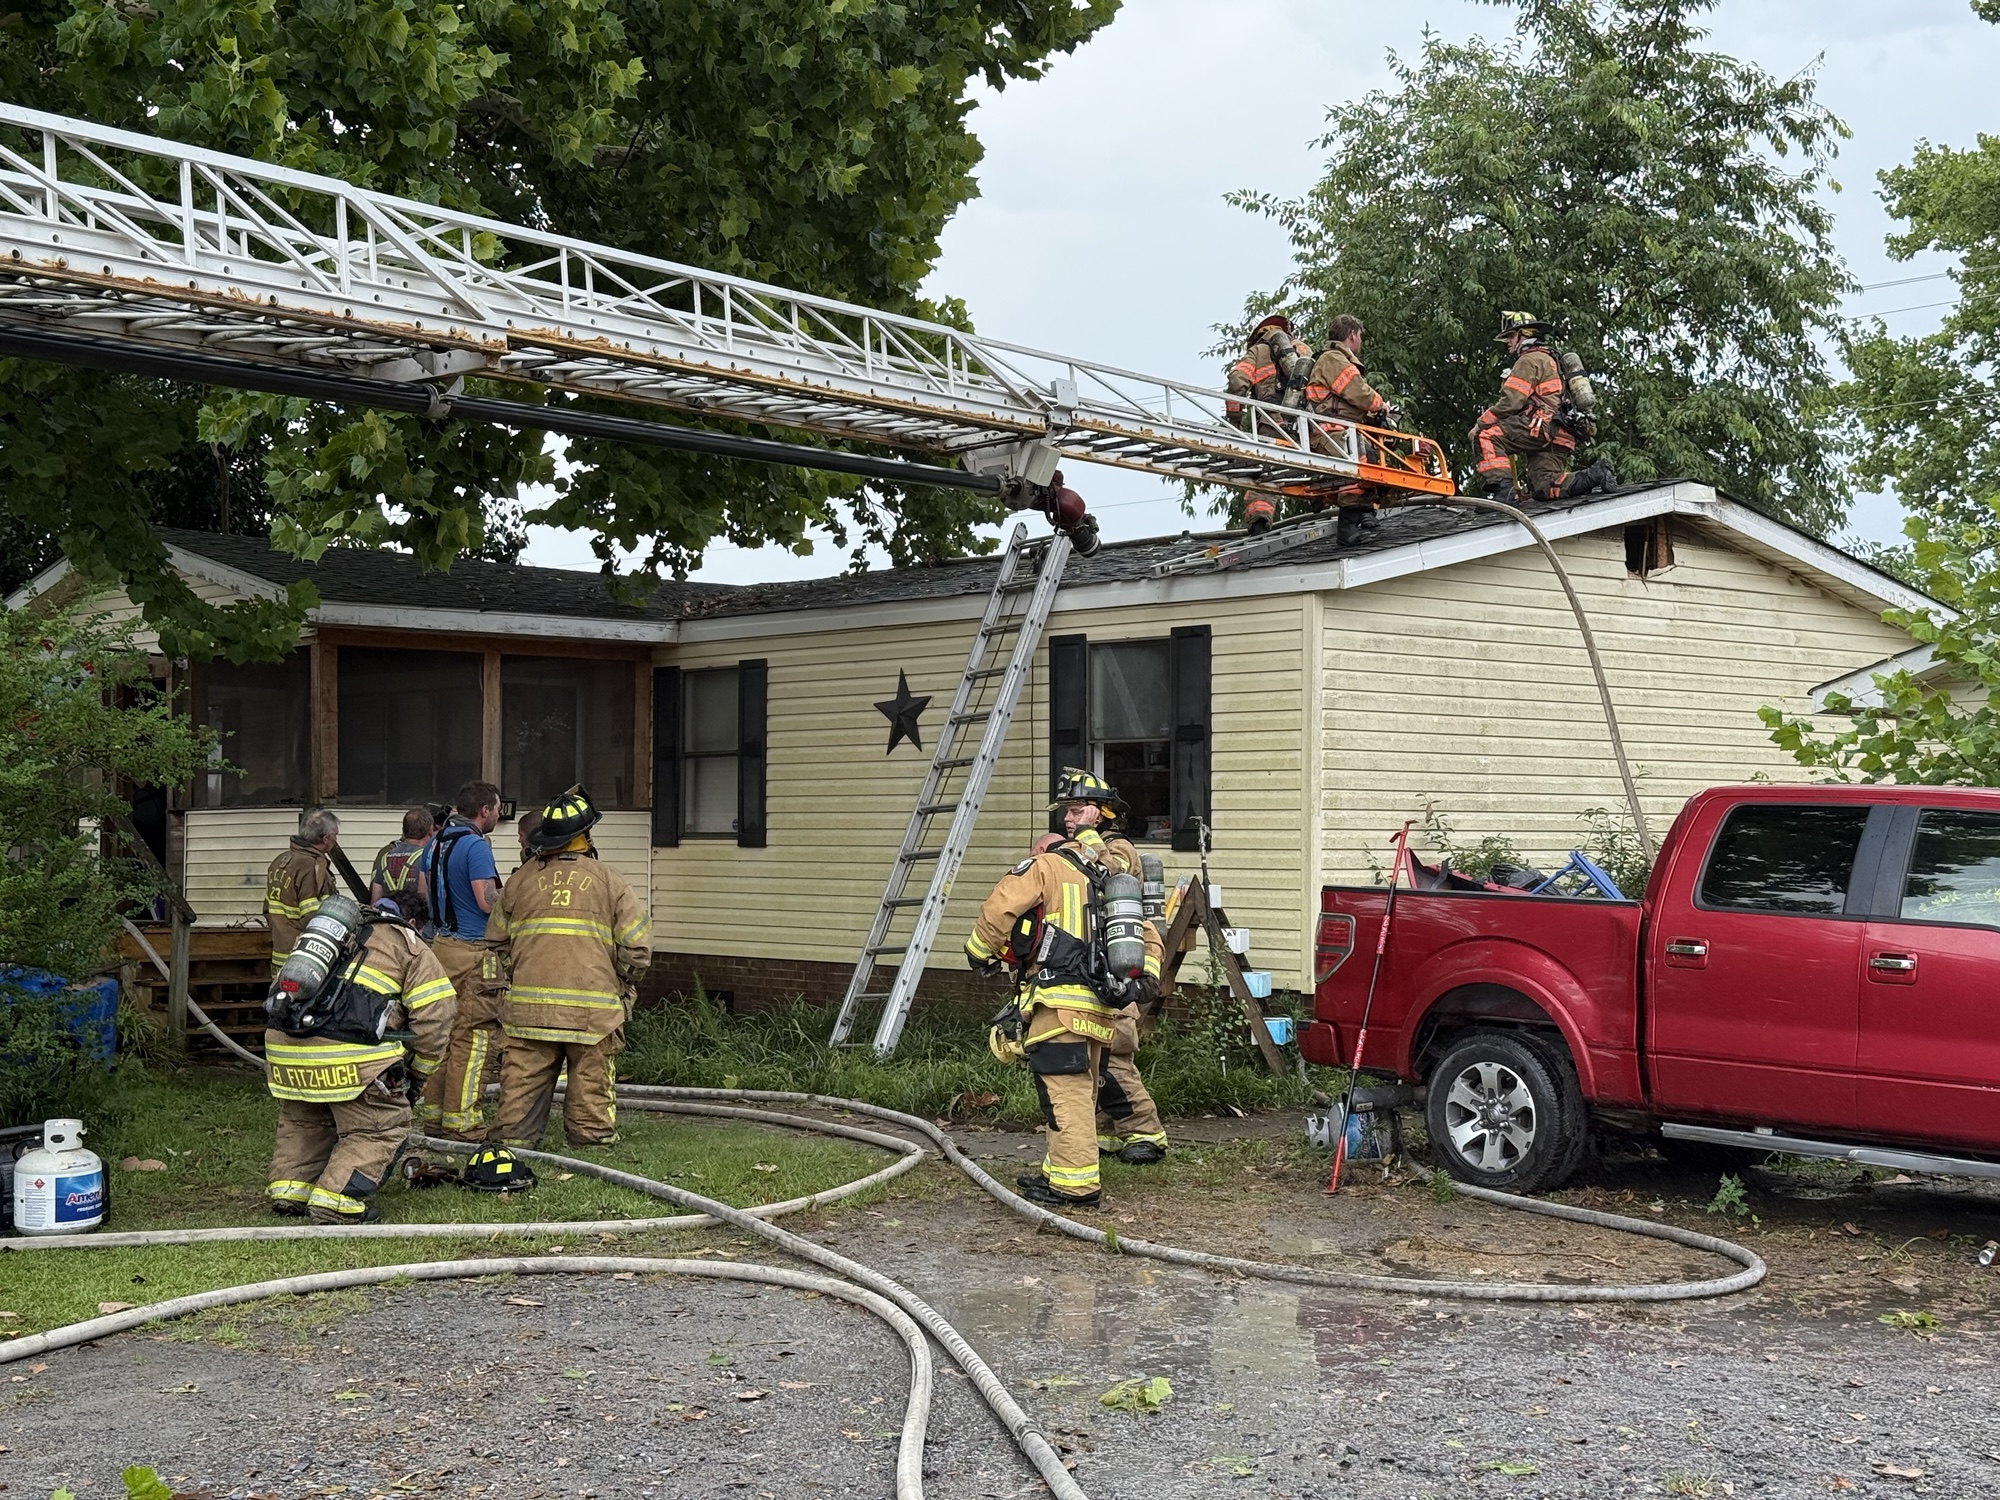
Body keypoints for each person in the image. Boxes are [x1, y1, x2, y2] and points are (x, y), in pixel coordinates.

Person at [966, 807, 1164, 1209]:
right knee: (1081, 1091)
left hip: (1059, 1003)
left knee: (1064, 1094)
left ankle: (1074, 1185)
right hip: (1102, 1006)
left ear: (1052, 848)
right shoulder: (1109, 882)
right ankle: (1059, 1172)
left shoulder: (1046, 868)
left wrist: (978, 952)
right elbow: (1148, 936)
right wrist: (1146, 980)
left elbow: (999, 906)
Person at [264, 899, 456, 1223]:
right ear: (412, 920)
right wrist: (420, 1071)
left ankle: (291, 1190)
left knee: (305, 1119)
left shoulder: (320, 939)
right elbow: (436, 1014)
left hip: (284, 1047)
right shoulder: (408, 943)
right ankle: (335, 1199)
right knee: (377, 1127)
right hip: (347, 1052)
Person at [490, 786, 651, 1149]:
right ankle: (591, 1140)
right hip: (593, 1013)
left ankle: (516, 1141)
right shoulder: (611, 882)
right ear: (586, 836)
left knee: (522, 1082)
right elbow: (638, 950)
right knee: (591, 1081)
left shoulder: (520, 881)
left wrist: (515, 978)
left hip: (529, 1010)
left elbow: (496, 942)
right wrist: (624, 982)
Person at [1047, 769, 1171, 1167]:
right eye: (1066, 811)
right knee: (1091, 1058)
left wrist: (1085, 839)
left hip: (1115, 969)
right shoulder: (1076, 846)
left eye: (1078, 809)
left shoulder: (1119, 848)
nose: (1069, 818)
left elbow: (1111, 874)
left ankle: (1147, 1135)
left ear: (1100, 813)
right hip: (1086, 965)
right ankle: (1104, 1133)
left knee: (1115, 1053)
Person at [414, 780, 505, 1141]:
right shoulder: (475, 846)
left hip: (440, 948)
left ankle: (434, 1116)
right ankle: (462, 1122)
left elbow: (423, 892)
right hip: (474, 953)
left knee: (444, 1036)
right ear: (484, 811)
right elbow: (486, 901)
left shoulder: (435, 843)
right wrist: (514, 892)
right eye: (498, 810)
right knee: (475, 1037)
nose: (498, 816)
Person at [1470, 311, 1616, 503]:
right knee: (1546, 487)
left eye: (1511, 336)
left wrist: (1480, 424)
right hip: (1562, 433)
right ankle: (1596, 474)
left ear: (1526, 334)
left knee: (1486, 436)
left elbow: (1511, 402)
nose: (1508, 341)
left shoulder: (1529, 360)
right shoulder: (1550, 359)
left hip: (1541, 427)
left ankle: (1503, 493)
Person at [1305, 315, 1408, 547]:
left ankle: (1365, 514)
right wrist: (1381, 405)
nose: (1360, 341)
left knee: (1372, 460)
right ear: (1352, 335)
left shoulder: (1334, 359)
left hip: (1341, 431)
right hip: (1332, 432)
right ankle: (1348, 529)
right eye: (1360, 336)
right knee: (1361, 463)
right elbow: (1358, 392)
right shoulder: (1334, 359)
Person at [1224, 313, 1316, 534]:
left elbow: (1237, 383)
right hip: (1308, 426)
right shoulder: (1304, 350)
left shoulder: (1258, 352)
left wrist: (1234, 422)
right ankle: (1321, 498)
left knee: (1263, 475)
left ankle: (1259, 522)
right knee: (1321, 466)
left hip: (1273, 425)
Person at [265, 808, 340, 976]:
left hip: (280, 952)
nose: (336, 839)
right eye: (335, 835)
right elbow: (312, 914)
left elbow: (266, 909)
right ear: (326, 838)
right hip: (304, 956)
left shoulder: (280, 861)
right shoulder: (310, 865)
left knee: (280, 999)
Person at [369, 806, 436, 928]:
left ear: (404, 831)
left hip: (389, 927)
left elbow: (375, 900)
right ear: (430, 831)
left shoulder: (385, 857)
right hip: (418, 929)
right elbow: (423, 894)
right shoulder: (426, 858)